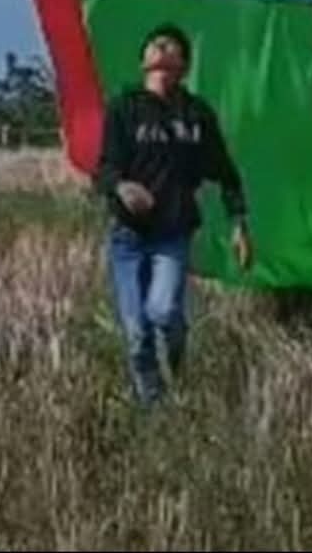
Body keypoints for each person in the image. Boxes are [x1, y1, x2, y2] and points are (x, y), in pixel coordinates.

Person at [94, 23, 252, 406]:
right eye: (154, 45)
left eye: (172, 47)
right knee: (135, 334)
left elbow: (227, 174)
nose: (162, 49)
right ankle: (155, 407)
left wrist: (239, 225)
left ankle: (177, 357)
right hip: (128, 238)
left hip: (172, 234)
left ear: (183, 65)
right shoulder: (124, 109)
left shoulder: (197, 116)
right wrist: (121, 187)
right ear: (143, 62)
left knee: (163, 311)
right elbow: (103, 168)